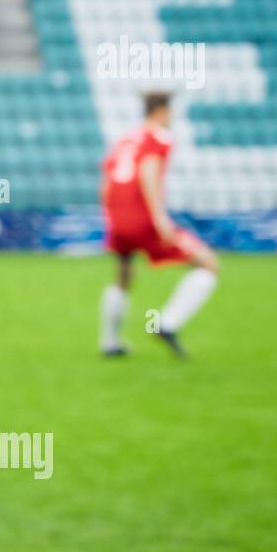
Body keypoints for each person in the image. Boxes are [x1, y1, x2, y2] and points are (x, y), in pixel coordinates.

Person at [99, 91, 218, 358]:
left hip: (118, 218)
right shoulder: (158, 138)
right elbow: (148, 172)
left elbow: (106, 183)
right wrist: (159, 217)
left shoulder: (127, 139)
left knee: (123, 274)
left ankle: (110, 341)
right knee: (209, 264)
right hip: (143, 219)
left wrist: (112, 217)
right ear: (161, 111)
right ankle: (166, 324)